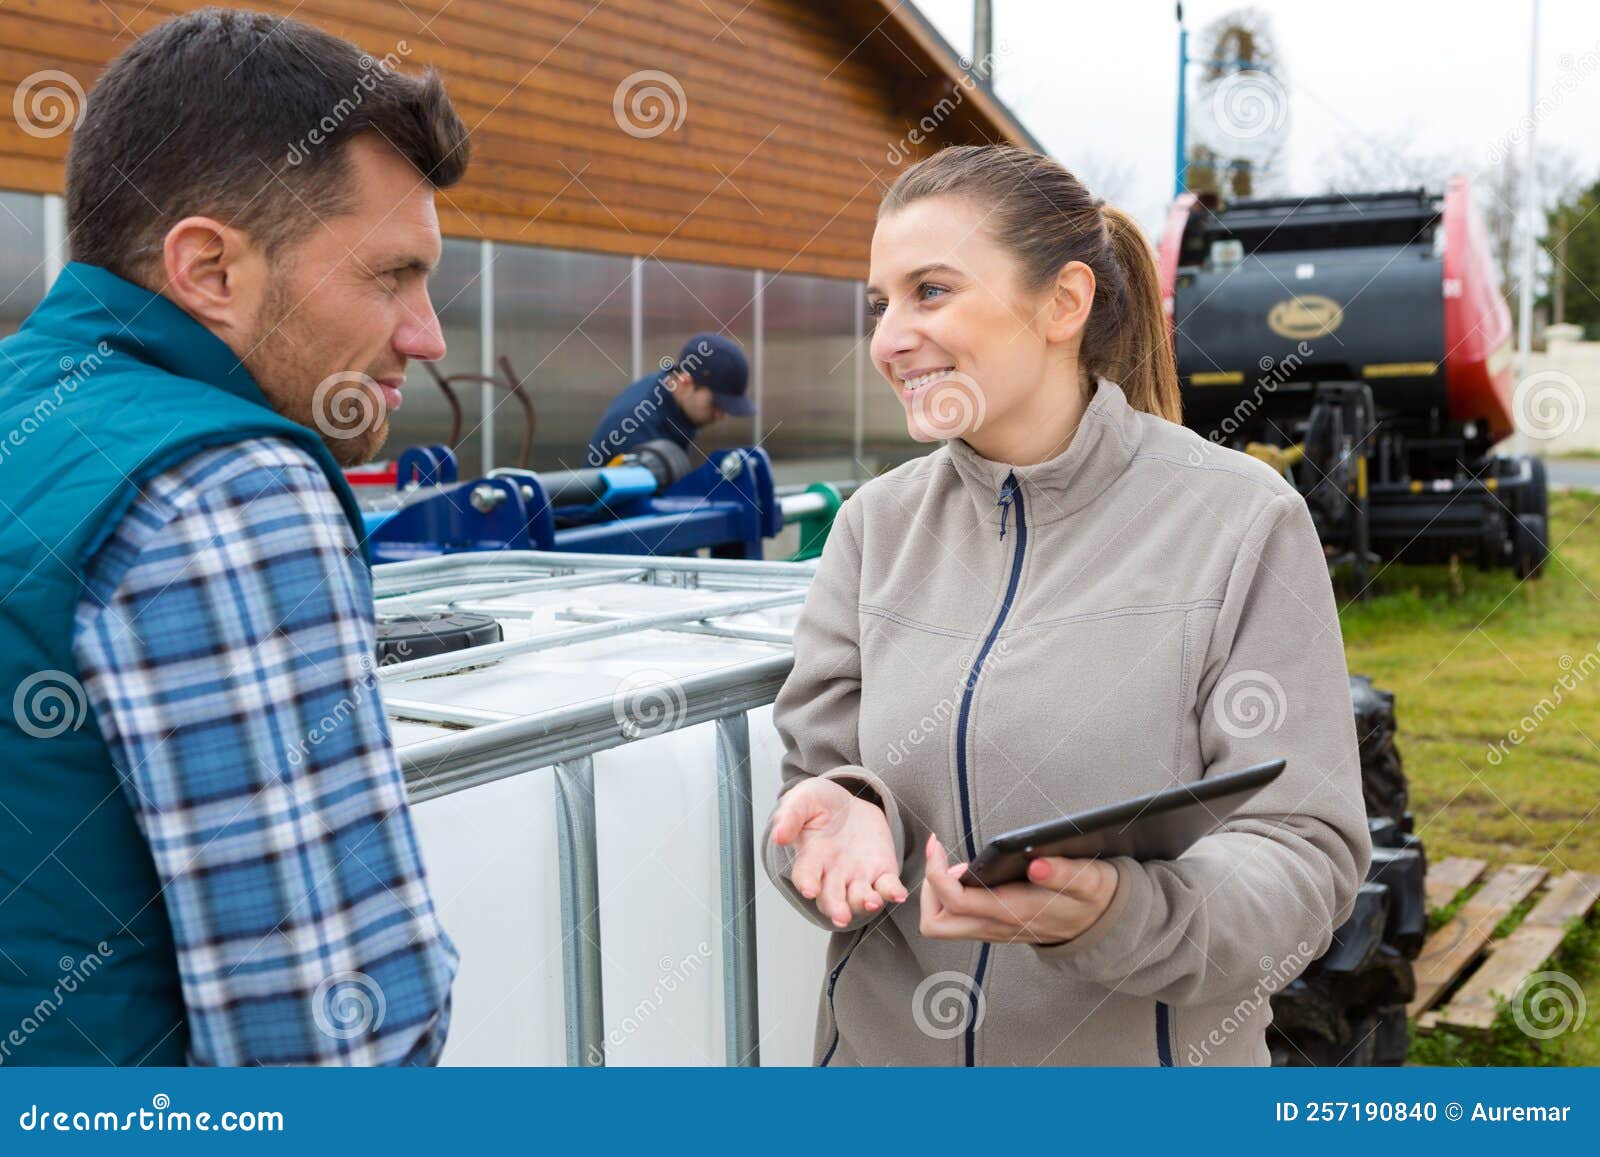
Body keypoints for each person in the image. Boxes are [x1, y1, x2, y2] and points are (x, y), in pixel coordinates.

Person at [761, 145, 1371, 1067]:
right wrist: (840, 814)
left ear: (1064, 302)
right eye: (880, 304)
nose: (888, 339)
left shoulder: (1240, 522)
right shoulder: (874, 527)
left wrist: (1124, 915)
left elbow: (1303, 852)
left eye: (931, 291)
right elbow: (815, 782)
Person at [0, 10, 466, 1065]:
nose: (426, 334)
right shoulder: (226, 490)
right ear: (209, 269)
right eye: (390, 274)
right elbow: (327, 1039)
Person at [585, 332, 753, 466]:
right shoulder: (638, 425)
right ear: (685, 382)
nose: (720, 416)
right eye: (715, 404)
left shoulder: (671, 395)